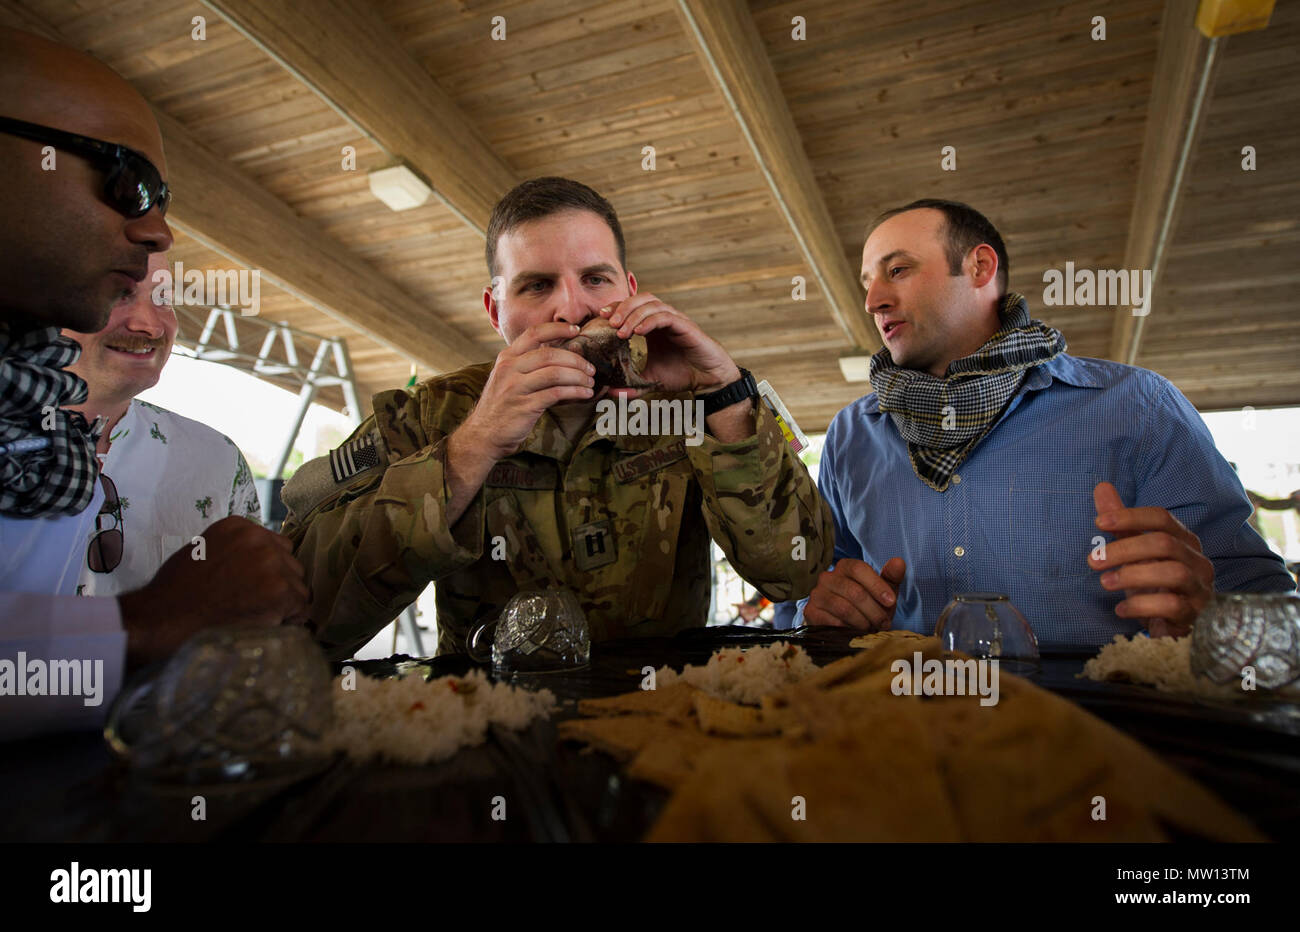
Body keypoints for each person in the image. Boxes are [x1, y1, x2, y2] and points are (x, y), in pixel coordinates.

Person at [282, 177, 833, 658]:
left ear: (630, 291)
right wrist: (472, 446)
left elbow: (793, 574)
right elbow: (301, 621)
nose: (572, 308)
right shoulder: (427, 415)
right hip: (482, 731)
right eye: (537, 285)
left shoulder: (693, 403)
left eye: (596, 279)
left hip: (663, 726)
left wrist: (725, 397)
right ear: (495, 309)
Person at [800, 198, 1295, 649]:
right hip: (898, 734)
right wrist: (820, 611)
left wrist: (1209, 615)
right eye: (868, 284)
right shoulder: (849, 435)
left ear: (979, 267)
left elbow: (1269, 609)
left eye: (898, 270)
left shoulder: (1137, 405)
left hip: (1112, 738)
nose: (873, 302)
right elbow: (810, 594)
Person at [0, 28, 308, 740]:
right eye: (125, 182)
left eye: (160, 196)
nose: (157, 230)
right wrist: (145, 625)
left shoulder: (34, 427)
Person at [63, 251, 262, 596]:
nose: (150, 325)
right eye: (118, 294)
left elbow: (253, 616)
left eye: (164, 298)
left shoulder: (217, 460)